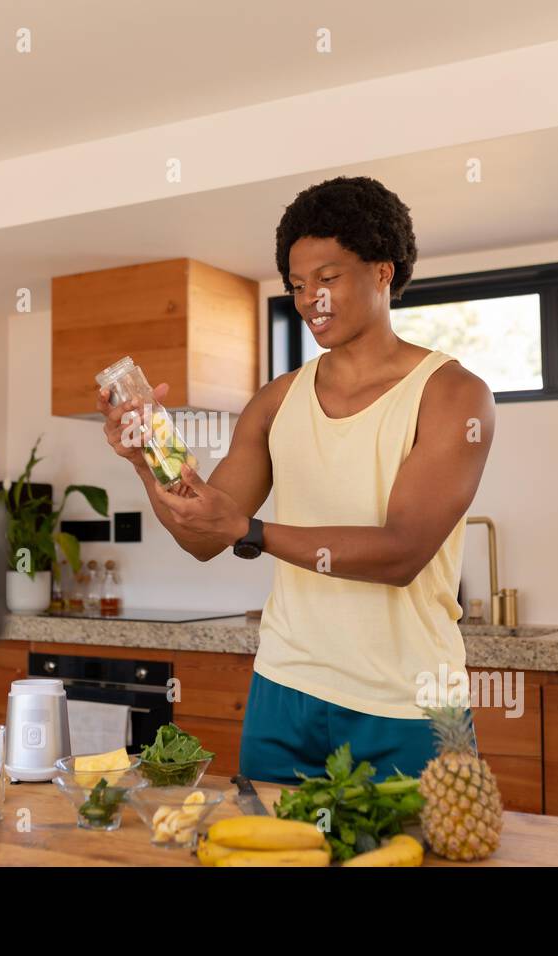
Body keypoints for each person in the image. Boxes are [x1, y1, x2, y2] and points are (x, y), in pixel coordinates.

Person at [96, 176, 494, 783]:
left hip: (408, 702)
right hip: (285, 690)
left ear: (383, 270)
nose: (310, 299)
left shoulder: (452, 394)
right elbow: (203, 534)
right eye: (297, 285)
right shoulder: (277, 401)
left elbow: (402, 553)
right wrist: (147, 458)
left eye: (328, 278)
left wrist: (250, 529)